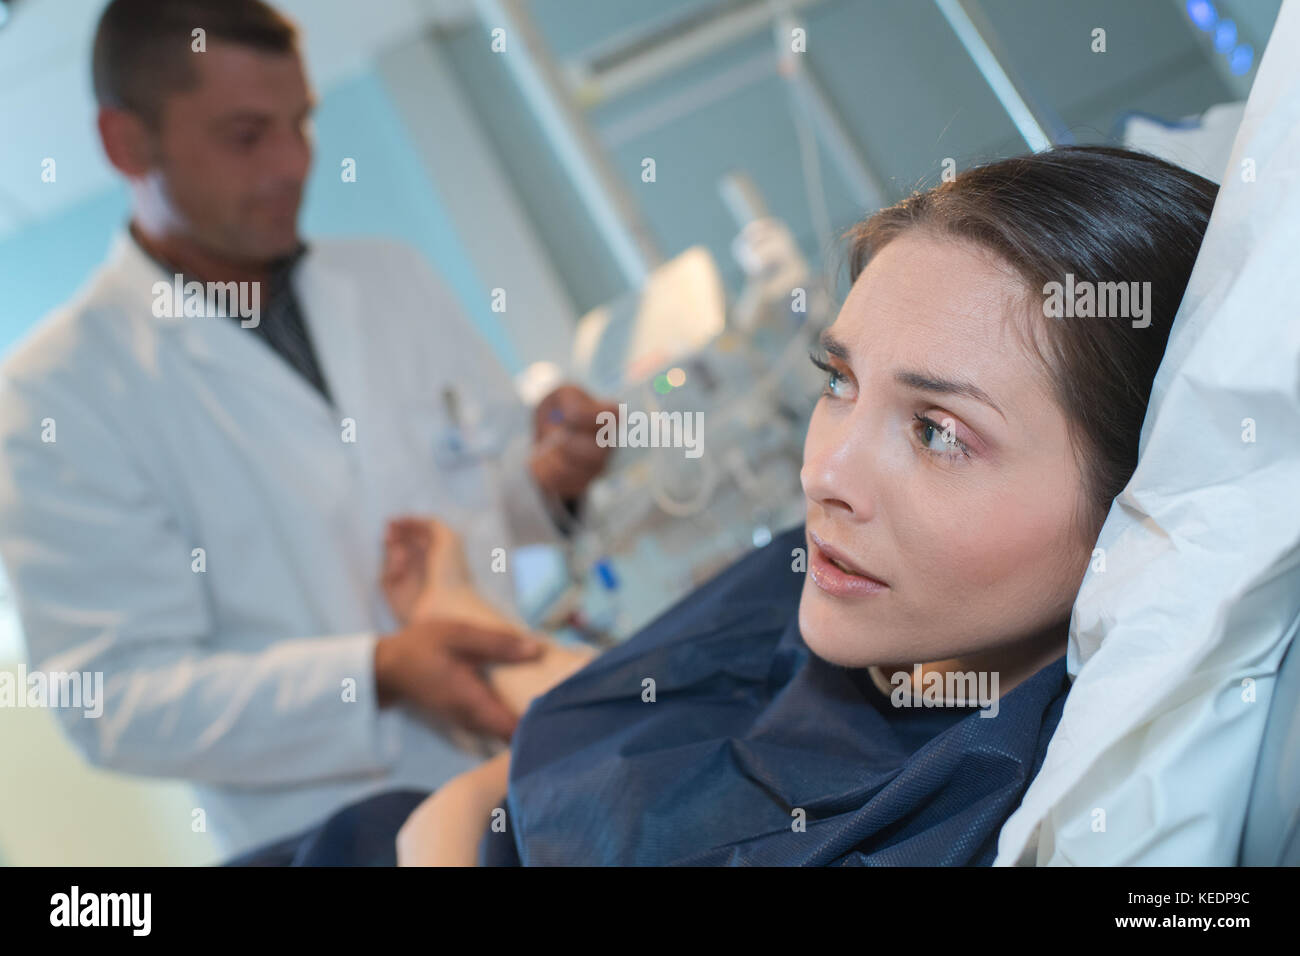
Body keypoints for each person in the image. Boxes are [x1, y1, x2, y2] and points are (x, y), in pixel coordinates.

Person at [224, 144, 1218, 866]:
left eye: (936, 431)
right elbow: (659, 701)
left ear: (1138, 491)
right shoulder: (869, 597)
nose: (824, 469)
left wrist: (447, 821)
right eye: (840, 380)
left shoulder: (965, 808)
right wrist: (460, 623)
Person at [0, 0, 614, 857]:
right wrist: (376, 675)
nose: (295, 163)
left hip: (534, 780)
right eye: (247, 136)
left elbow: (493, 498)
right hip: (332, 838)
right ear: (126, 144)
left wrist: (556, 477)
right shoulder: (56, 393)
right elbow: (111, 697)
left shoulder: (393, 281)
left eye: (301, 123)